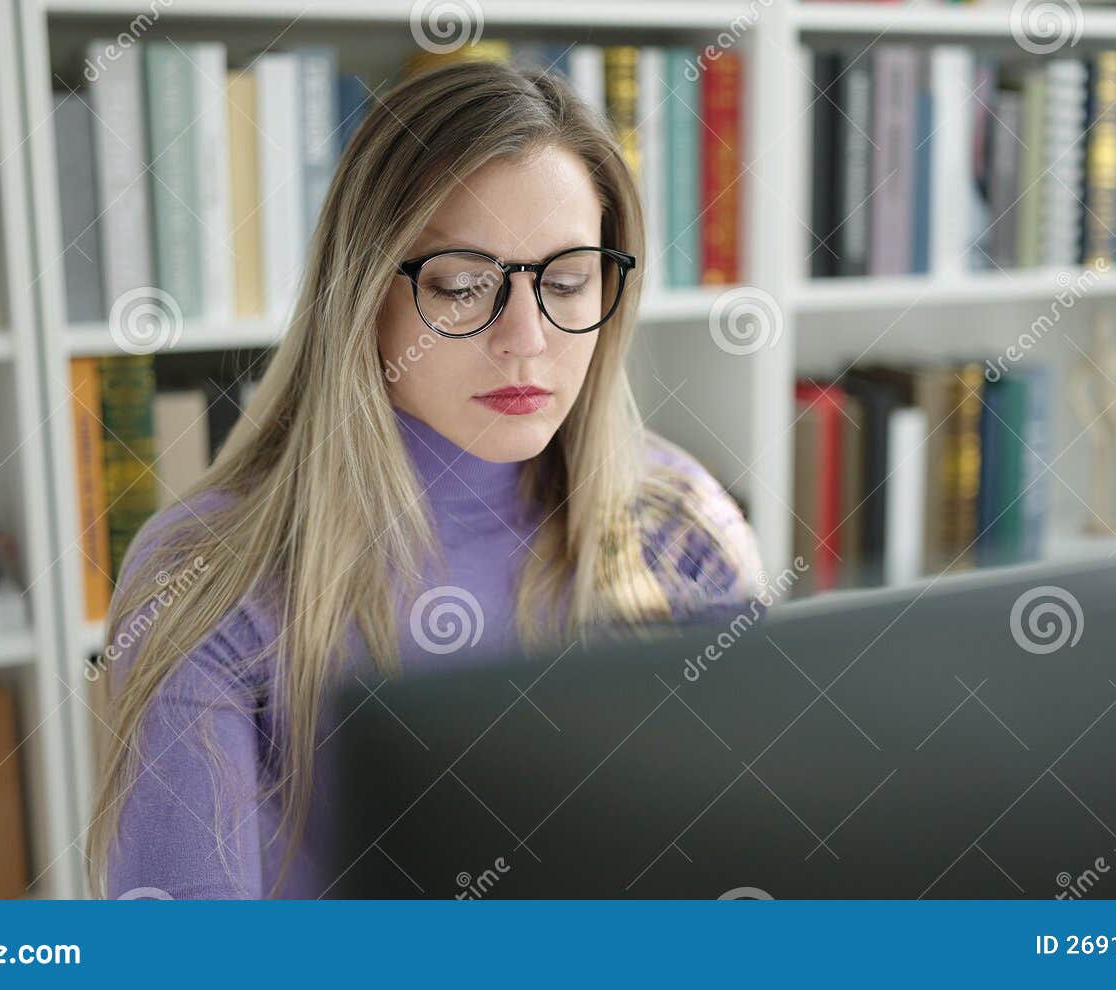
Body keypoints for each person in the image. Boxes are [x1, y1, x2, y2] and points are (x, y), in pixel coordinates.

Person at [90, 59, 764, 899]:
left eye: (566, 282)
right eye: (462, 286)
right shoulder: (208, 578)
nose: (526, 338)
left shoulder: (679, 523)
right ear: (363, 295)